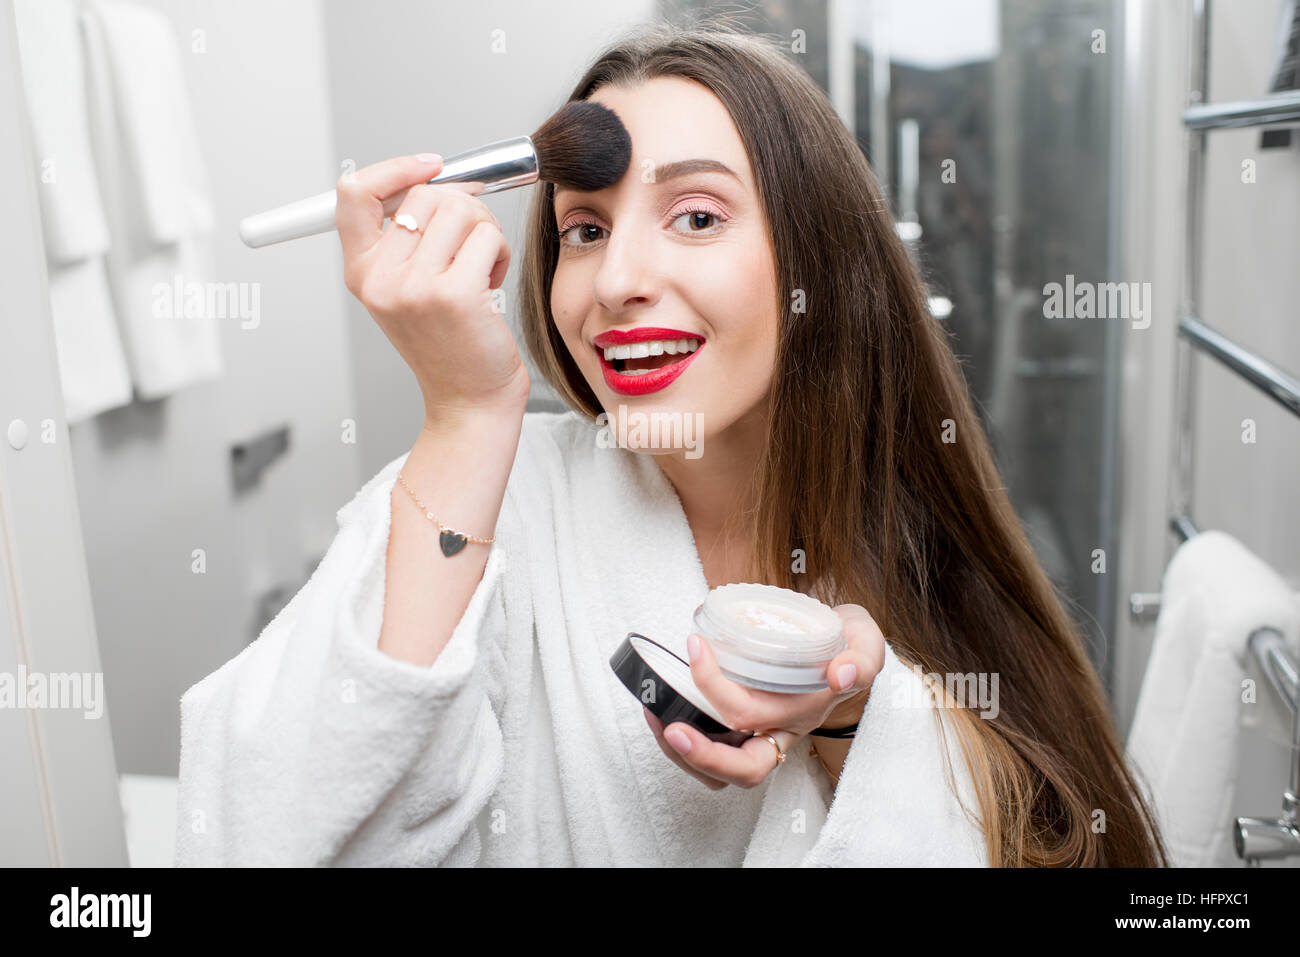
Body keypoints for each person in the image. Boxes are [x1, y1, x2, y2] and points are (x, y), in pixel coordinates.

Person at [175, 23, 1167, 867]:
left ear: (818, 257)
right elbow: (271, 831)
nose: (616, 282)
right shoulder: (474, 494)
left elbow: (1055, 839)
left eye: (695, 215)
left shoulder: (914, 542)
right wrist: (468, 415)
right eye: (585, 231)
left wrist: (844, 722)